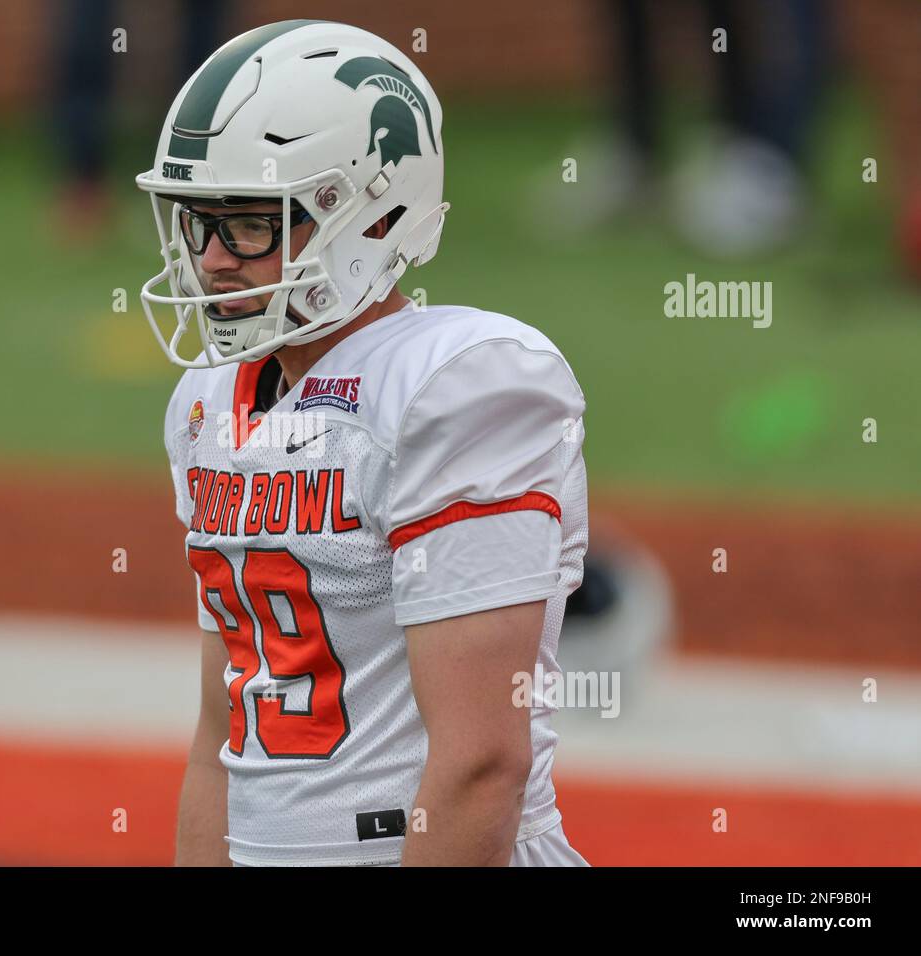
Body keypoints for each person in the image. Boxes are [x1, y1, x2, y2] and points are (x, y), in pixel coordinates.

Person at [137, 20, 590, 867]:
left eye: (249, 223)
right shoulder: (204, 403)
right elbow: (218, 741)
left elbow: (481, 766)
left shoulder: (458, 386)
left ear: (372, 217)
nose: (211, 261)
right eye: (198, 222)